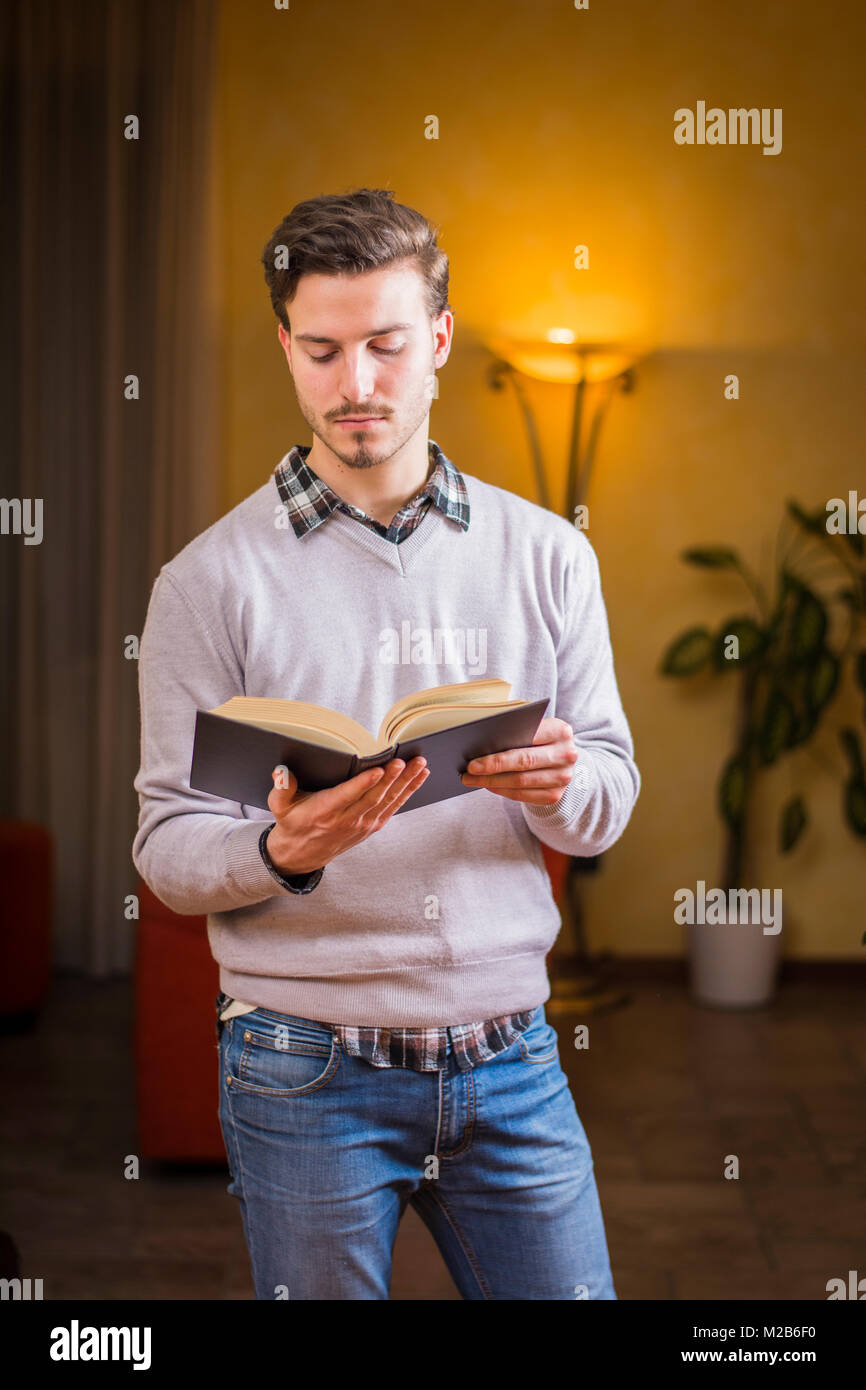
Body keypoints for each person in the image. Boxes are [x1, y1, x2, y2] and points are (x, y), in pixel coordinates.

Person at [132, 187, 641, 1300]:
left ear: (440, 340)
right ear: (284, 346)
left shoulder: (548, 554)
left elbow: (609, 790)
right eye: (319, 350)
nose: (354, 384)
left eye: (383, 345)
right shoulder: (203, 582)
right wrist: (279, 851)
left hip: (509, 1055)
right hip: (299, 1063)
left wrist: (561, 784)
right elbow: (168, 849)